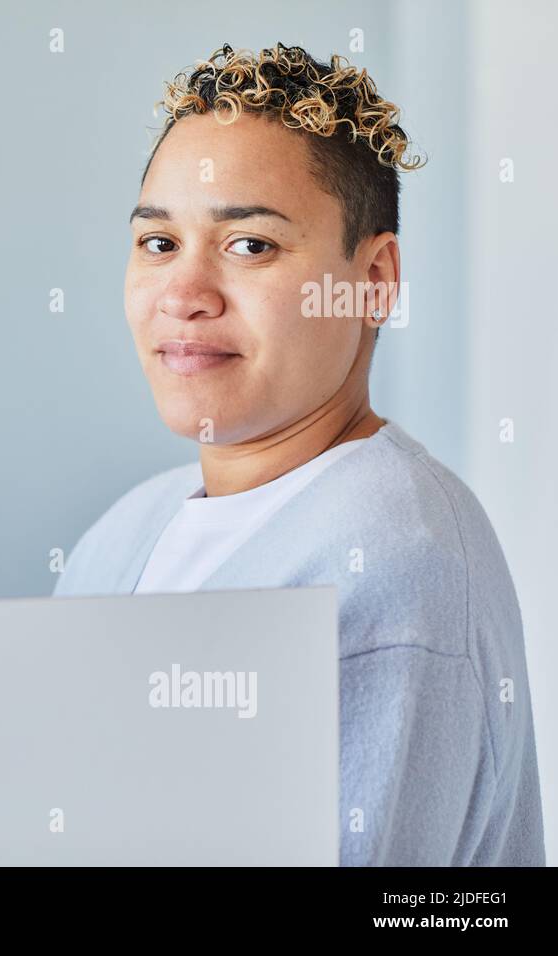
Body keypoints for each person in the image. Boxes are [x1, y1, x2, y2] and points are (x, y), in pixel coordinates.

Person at [55, 43, 544, 866]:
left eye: (250, 245)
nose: (184, 293)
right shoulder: (121, 534)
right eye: (159, 243)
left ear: (374, 281)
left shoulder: (394, 571)